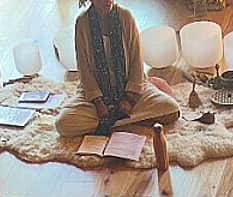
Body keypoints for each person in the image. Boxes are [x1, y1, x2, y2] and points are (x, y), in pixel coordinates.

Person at [54, 0, 179, 139]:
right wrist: (98, 103)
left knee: (171, 110)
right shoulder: (82, 22)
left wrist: (129, 99)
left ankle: (109, 122)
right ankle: (129, 120)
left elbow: (136, 63)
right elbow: (84, 70)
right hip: (96, 94)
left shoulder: (125, 16)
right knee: (63, 124)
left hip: (131, 89)